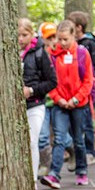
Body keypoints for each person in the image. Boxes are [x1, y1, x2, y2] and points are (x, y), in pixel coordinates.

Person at [39, 20, 94, 189]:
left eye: (65, 39)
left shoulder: (82, 53)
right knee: (59, 138)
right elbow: (49, 81)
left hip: (78, 104)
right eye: (59, 39)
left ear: (73, 36)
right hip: (60, 104)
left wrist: (75, 99)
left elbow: (88, 81)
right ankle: (55, 174)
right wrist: (59, 99)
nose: (62, 43)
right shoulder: (52, 55)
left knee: (78, 139)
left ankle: (82, 170)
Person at [19, 17, 57, 183]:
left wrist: (32, 91)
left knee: (32, 141)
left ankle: (33, 181)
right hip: (16, 107)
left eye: (24, 35)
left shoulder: (40, 53)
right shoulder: (9, 50)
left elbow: (52, 81)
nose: (20, 39)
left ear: (32, 34)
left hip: (35, 105)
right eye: (18, 35)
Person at [66, 11, 95, 165]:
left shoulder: (89, 44)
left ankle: (90, 152)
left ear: (79, 27)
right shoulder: (69, 45)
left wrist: (91, 85)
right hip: (72, 91)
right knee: (74, 124)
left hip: (87, 90)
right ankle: (78, 152)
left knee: (87, 122)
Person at [36, 21, 59, 167]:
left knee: (61, 135)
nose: (52, 41)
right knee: (43, 135)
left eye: (54, 37)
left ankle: (72, 150)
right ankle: (46, 164)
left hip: (59, 101)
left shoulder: (59, 55)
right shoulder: (37, 55)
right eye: (48, 38)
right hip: (43, 100)